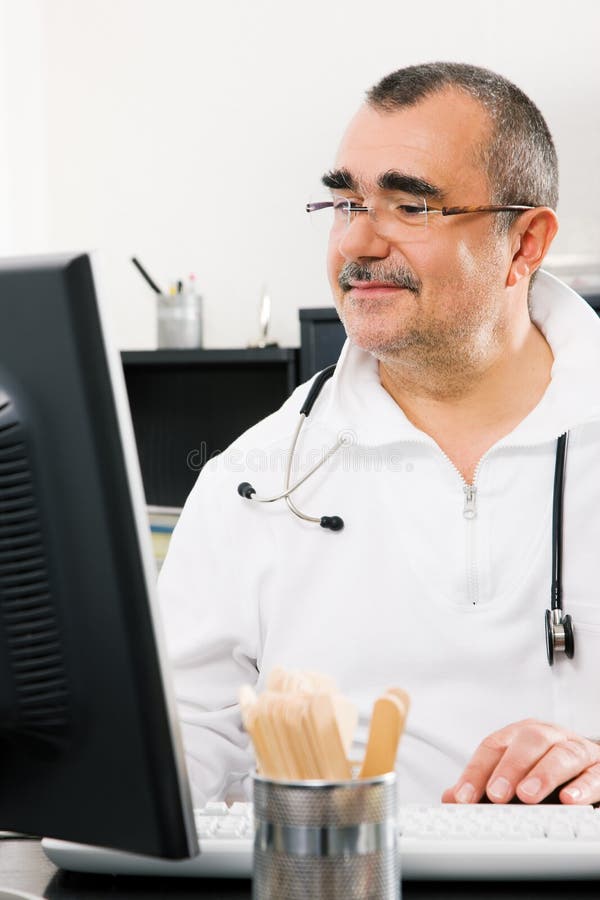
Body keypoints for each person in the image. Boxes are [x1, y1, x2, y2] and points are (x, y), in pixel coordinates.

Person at [158, 62, 600, 808]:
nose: (357, 242)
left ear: (524, 242)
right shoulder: (254, 480)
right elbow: (172, 761)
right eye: (343, 204)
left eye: (407, 206)